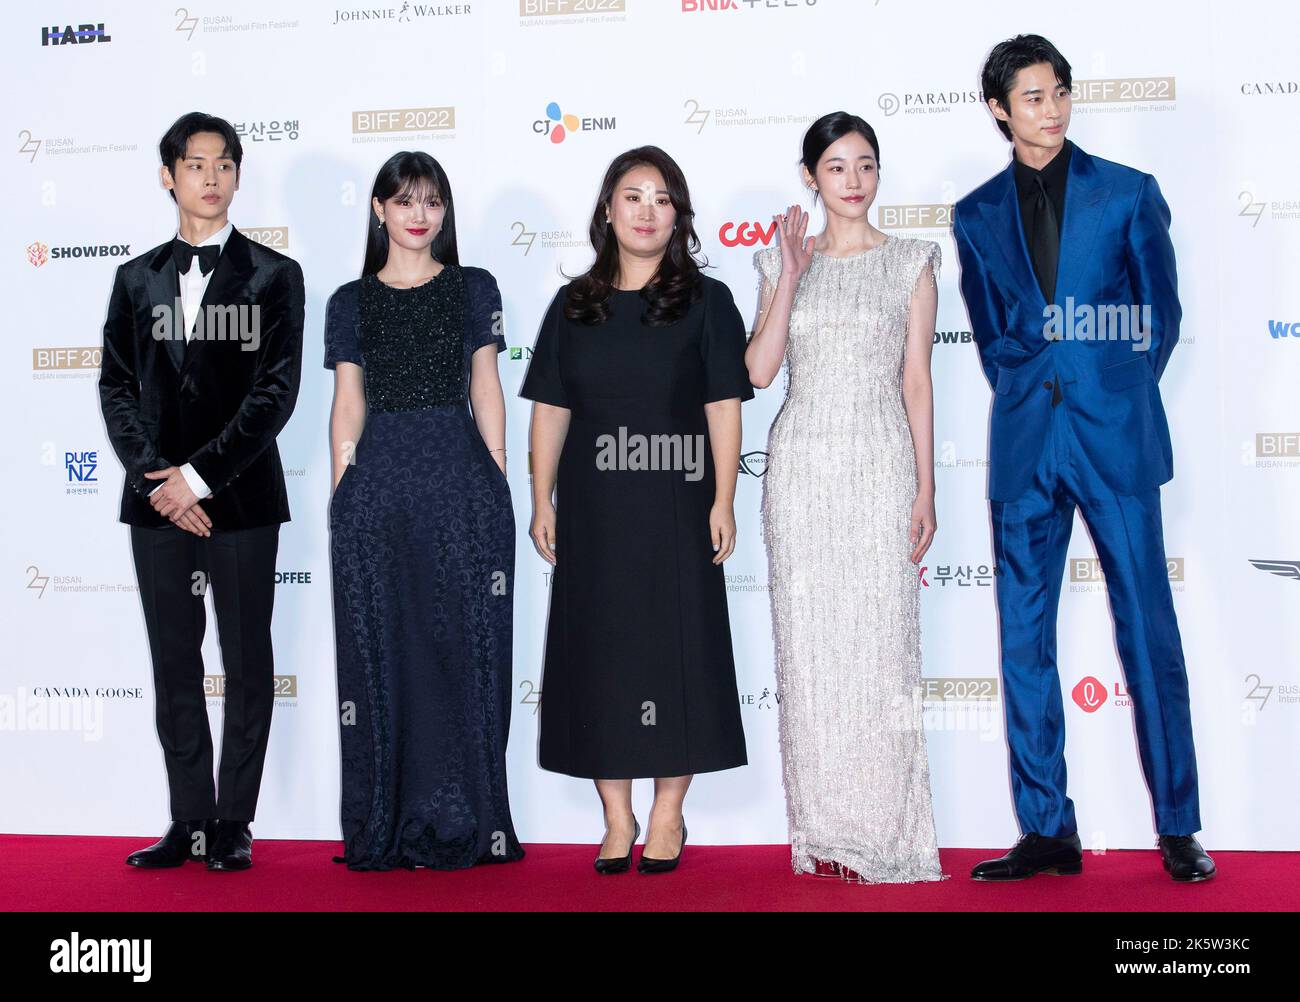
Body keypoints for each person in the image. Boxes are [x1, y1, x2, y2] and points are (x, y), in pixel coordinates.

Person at [952, 34, 1214, 882]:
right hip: (1026, 444)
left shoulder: (1129, 193)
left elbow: (1159, 318)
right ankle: (1046, 829)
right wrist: (1034, 384)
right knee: (1023, 640)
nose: (1053, 108)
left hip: (1114, 440)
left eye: (1061, 91)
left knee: (1148, 626)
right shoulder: (975, 214)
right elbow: (990, 333)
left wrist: (1109, 387)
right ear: (1000, 110)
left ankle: (1178, 824)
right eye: (1033, 96)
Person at [520, 146, 752, 874]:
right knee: (602, 654)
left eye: (662, 198)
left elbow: (723, 404)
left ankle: (668, 812)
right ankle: (616, 816)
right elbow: (551, 408)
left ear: (678, 215)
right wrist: (541, 497)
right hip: (594, 509)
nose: (647, 211)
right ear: (608, 210)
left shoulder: (707, 300)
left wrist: (723, 498)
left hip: (678, 504)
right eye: (633, 196)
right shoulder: (575, 304)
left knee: (678, 652)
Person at [99, 111, 304, 871]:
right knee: (174, 662)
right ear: (168, 175)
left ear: (238, 176)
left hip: (241, 501)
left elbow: (275, 394)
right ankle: (188, 822)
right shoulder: (135, 279)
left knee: (247, 662)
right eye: (195, 164)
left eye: (223, 165)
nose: (210, 178)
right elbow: (116, 388)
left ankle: (234, 824)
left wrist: (198, 478)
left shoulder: (276, 276)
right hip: (156, 505)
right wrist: (161, 479)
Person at [747, 112, 946, 883]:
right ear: (810, 177)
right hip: (802, 471)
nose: (853, 180)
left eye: (866, 164)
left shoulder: (911, 262)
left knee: (879, 649)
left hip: (880, 463)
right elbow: (759, 372)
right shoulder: (779, 259)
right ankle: (824, 833)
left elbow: (917, 381)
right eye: (836, 167)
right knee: (811, 653)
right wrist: (792, 275)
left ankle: (887, 831)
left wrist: (927, 486)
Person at [325, 151, 524, 871]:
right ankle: (388, 820)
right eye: (405, 200)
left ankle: (471, 819)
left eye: (432, 201)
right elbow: (348, 401)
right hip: (377, 492)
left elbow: (486, 385)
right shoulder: (349, 301)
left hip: (460, 485)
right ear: (378, 209)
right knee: (383, 652)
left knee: (466, 649)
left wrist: (497, 476)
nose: (419, 214)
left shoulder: (474, 287)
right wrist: (343, 492)